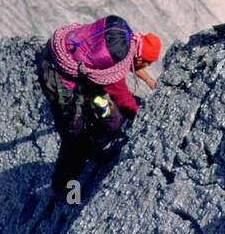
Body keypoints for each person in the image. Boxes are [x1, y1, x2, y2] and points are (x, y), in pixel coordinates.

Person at [37, 14, 161, 195]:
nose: (145, 67)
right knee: (73, 139)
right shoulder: (115, 57)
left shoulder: (124, 35)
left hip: (78, 70)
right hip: (64, 83)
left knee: (112, 121)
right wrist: (145, 118)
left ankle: (92, 151)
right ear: (141, 57)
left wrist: (149, 80)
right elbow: (124, 100)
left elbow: (131, 62)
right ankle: (64, 188)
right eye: (147, 64)